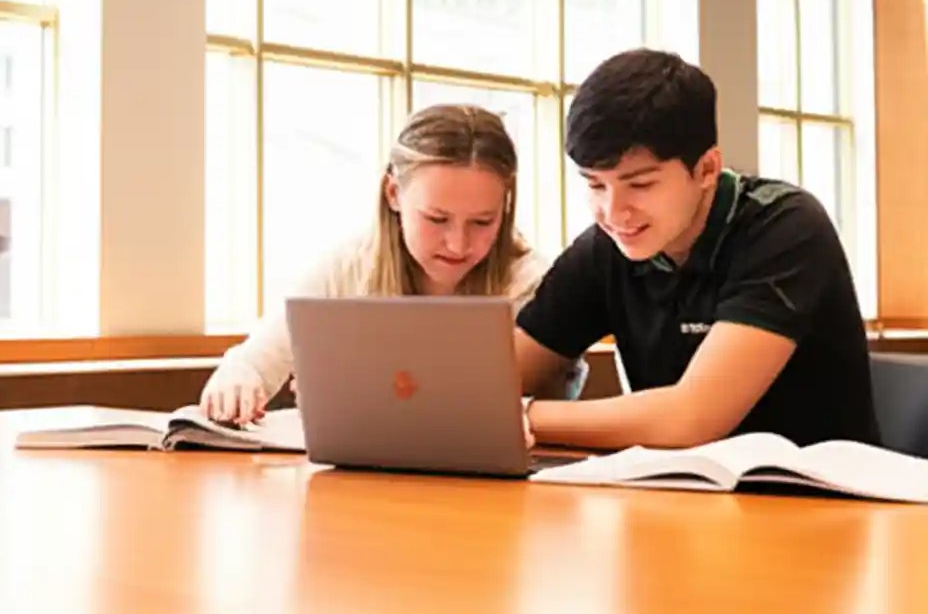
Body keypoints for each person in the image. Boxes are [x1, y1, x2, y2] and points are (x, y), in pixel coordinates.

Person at [516, 48, 880, 449]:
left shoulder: (786, 227)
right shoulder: (608, 248)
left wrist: (525, 415)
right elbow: (496, 382)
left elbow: (690, 418)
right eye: (595, 185)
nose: (613, 212)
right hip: (680, 496)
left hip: (816, 497)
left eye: (640, 184)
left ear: (706, 169)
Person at [199, 103, 576, 426]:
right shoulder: (347, 267)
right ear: (393, 194)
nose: (458, 244)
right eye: (436, 219)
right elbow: (253, 362)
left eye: (483, 222)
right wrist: (238, 380)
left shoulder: (533, 283)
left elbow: (518, 409)